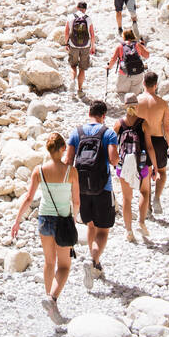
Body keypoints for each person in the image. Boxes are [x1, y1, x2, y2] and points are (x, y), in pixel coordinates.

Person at [11, 132, 80, 326]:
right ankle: (52, 299)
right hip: (63, 220)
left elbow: (28, 197)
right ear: (61, 149)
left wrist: (17, 220)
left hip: (44, 219)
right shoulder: (71, 171)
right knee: (64, 266)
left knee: (49, 262)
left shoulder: (39, 170)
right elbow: (76, 201)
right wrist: (74, 219)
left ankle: (50, 304)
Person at [66, 100, 119, 288]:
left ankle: (92, 260)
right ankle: (93, 260)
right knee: (103, 229)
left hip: (82, 188)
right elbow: (113, 160)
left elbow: (68, 160)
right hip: (103, 187)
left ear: (89, 112)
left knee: (90, 225)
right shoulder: (109, 133)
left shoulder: (76, 132)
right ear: (104, 115)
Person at [135, 72, 169, 215]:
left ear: (143, 83)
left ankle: (146, 206)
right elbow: (167, 128)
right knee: (162, 171)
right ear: (156, 85)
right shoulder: (162, 104)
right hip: (158, 140)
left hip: (141, 141)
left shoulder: (136, 101)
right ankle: (157, 197)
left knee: (145, 172)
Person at [113, 104, 153, 240]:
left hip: (123, 164)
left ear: (124, 106)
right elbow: (149, 146)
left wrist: (113, 164)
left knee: (126, 199)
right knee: (144, 192)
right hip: (141, 164)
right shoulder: (143, 123)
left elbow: (113, 146)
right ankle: (141, 222)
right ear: (136, 106)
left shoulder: (118, 124)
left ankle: (128, 231)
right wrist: (155, 167)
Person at [107, 29, 150, 102]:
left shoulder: (120, 46)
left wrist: (108, 67)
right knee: (135, 95)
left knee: (122, 94)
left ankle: (126, 110)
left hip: (124, 74)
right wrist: (143, 45)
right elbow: (147, 55)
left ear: (123, 37)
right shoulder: (137, 45)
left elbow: (113, 60)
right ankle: (133, 110)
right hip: (138, 73)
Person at [64, 1, 95, 95]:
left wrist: (66, 44)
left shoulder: (70, 17)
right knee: (82, 68)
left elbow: (66, 33)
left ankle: (72, 80)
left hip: (73, 45)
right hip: (85, 46)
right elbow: (92, 35)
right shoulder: (88, 19)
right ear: (85, 9)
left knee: (73, 66)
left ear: (77, 8)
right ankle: (80, 90)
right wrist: (93, 47)